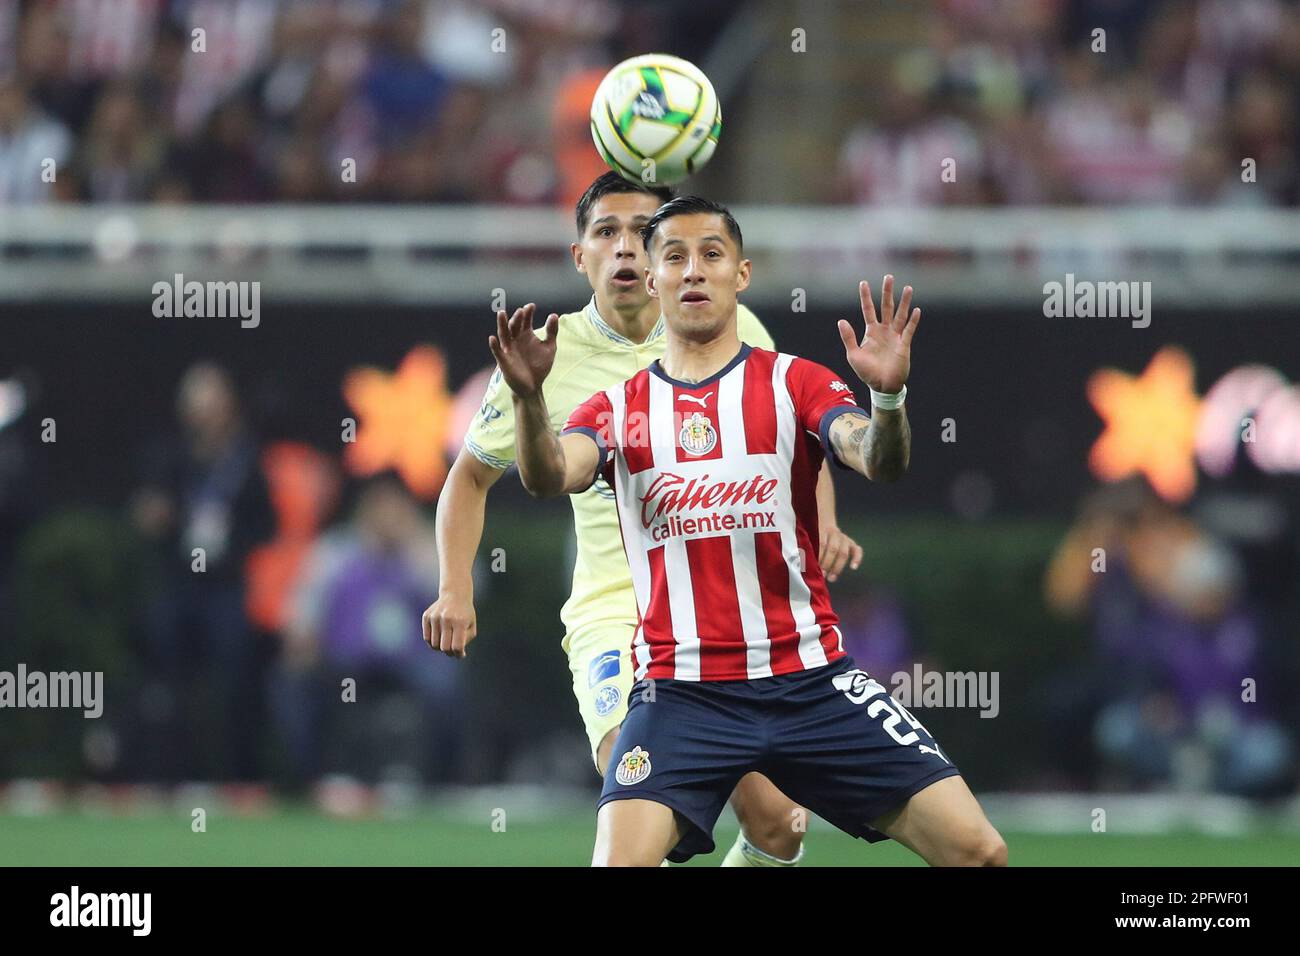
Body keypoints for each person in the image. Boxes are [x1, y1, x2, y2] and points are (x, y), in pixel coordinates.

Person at [493, 195, 1006, 866]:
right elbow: (548, 475)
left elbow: (880, 461)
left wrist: (888, 398)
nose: (694, 271)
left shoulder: (797, 383)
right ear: (653, 280)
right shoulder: (616, 408)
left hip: (811, 682)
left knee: (981, 853)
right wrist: (531, 400)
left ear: (742, 274)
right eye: (674, 256)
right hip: (680, 693)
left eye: (712, 254)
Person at [423, 173, 863, 867]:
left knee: (782, 824)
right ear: (580, 256)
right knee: (642, 802)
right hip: (615, 619)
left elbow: (792, 431)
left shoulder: (730, 324)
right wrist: (454, 587)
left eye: (640, 233)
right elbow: (467, 479)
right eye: (606, 233)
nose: (625, 249)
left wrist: (827, 523)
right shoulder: (546, 354)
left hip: (720, 620)